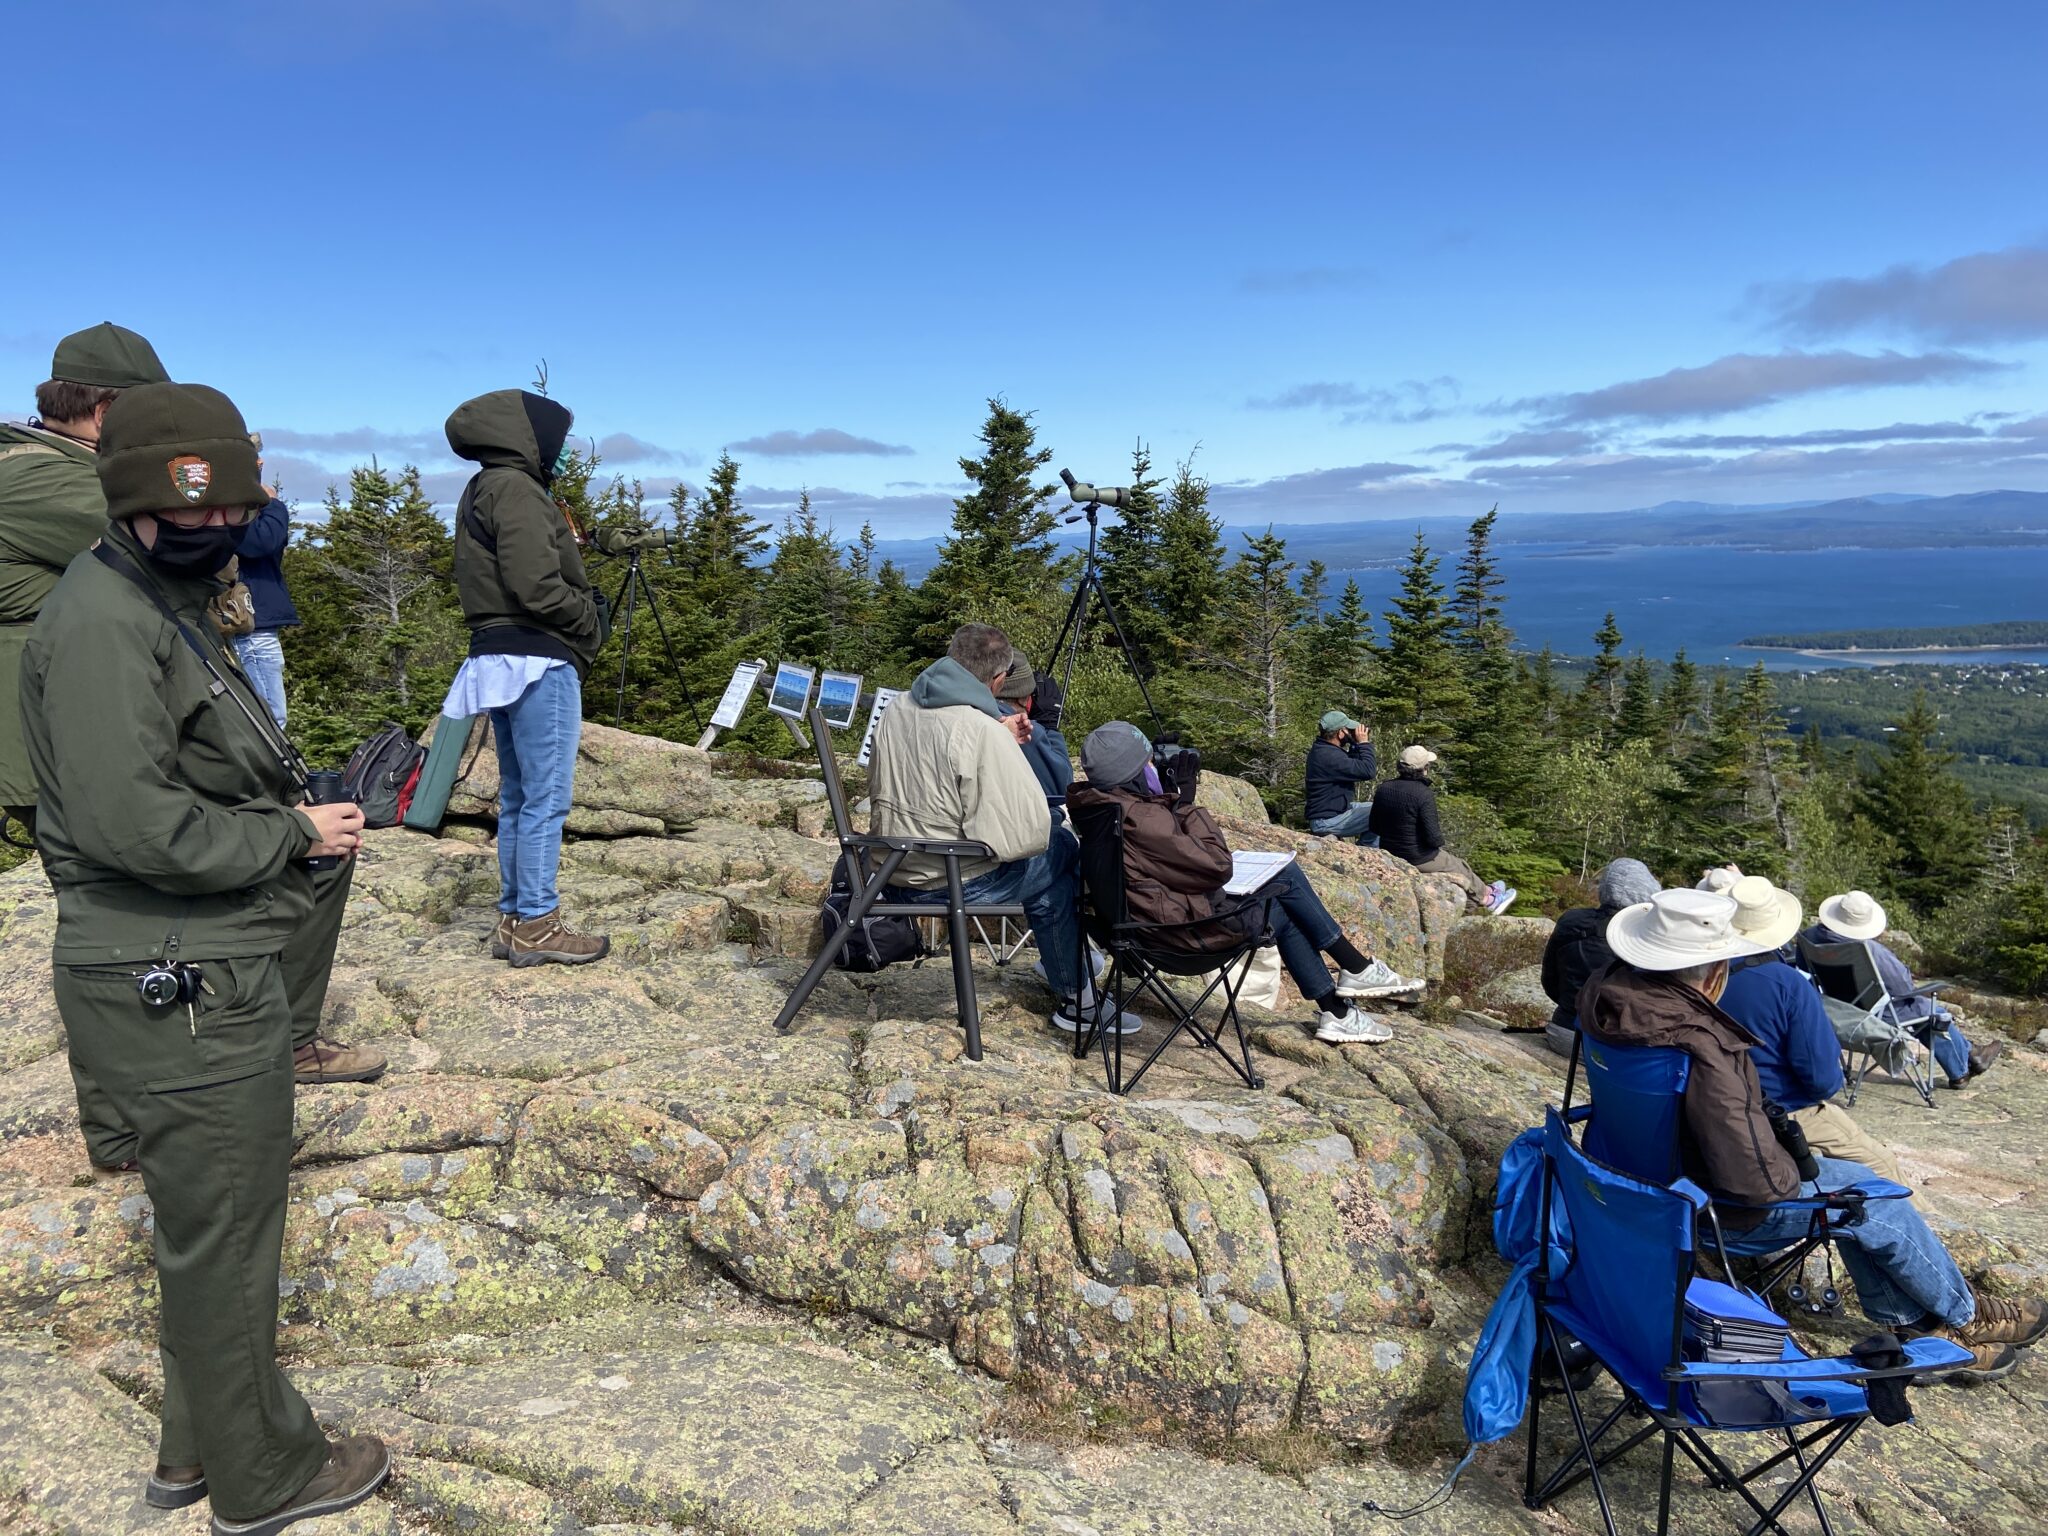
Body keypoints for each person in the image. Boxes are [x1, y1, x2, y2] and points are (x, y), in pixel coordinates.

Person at [20, 382, 392, 1529]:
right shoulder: (101, 625)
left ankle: (194, 1448)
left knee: (208, 1226)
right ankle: (265, 1474)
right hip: (176, 975)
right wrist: (289, 832)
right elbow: (134, 827)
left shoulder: (147, 595)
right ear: (132, 507)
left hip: (190, 959)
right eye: (190, 523)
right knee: (228, 1234)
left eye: (232, 518)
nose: (216, 538)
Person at [1579, 887, 2045, 1382]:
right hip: (1707, 1213)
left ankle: (1920, 1326)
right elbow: (1756, 1187)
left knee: (1851, 1188)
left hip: (1637, 1189)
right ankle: (1968, 1317)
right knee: (1867, 1194)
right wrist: (1791, 1162)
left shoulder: (1609, 1005)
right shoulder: (1705, 1047)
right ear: (1715, 973)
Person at [1069, 720, 1424, 1045]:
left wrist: (1165, 802)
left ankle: (1340, 1006)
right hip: (1179, 939)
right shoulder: (1143, 819)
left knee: (1281, 894)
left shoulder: (1102, 808)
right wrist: (1184, 804)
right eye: (1147, 763)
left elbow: (1163, 864)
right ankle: (1353, 976)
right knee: (1283, 886)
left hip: (1141, 929)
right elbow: (1218, 865)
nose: (1153, 769)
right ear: (1130, 774)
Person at [869, 622, 1133, 1035]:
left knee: (1052, 860)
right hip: (946, 879)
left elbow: (939, 751)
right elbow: (1021, 837)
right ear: (999, 678)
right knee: (1059, 857)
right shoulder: (979, 730)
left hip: (890, 868)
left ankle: (1070, 967)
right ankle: (1075, 991)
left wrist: (998, 733)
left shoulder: (899, 706)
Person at [446, 388, 609, 968]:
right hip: (538, 657)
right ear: (529, 436)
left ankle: (517, 916)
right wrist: (588, 615)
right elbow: (535, 585)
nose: (559, 451)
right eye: (555, 440)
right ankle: (537, 923)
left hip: (497, 656)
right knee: (545, 797)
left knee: (519, 795)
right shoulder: (517, 489)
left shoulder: (484, 486)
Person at [0, 322, 171, 838]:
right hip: (58, 735)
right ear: (106, 414)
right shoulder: (41, 479)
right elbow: (179, 550)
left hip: (74, 723)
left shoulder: (57, 467)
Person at [1716, 876, 1902, 1182]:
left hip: (1715, 1102)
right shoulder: (1785, 983)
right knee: (1882, 1165)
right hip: (1780, 1111)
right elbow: (1823, 1081)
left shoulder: (1700, 973)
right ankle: (1937, 1229)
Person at [1804, 890, 2002, 1089]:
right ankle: (1961, 1069)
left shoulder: (1809, 937)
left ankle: (1971, 1052)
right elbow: (1903, 987)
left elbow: (1805, 970)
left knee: (1918, 1010)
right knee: (1932, 1012)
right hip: (1872, 1014)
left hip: (1839, 1010)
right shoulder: (1870, 950)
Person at [1368, 744, 1516, 914]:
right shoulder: (1423, 794)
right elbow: (1434, 839)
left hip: (1389, 850)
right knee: (1459, 866)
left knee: (1456, 864)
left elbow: (1374, 826)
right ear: (1424, 769)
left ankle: (1488, 891)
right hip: (1416, 856)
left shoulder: (1384, 788)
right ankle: (1488, 899)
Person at [1539, 857, 1660, 1056]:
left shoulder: (1571, 920)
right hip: (1611, 1048)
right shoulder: (1646, 935)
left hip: (1562, 1033)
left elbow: (1550, 982)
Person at [228, 452, 299, 727]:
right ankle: (274, 769)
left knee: (269, 713)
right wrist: (274, 505)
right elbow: (263, 541)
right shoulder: (231, 510)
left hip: (251, 621)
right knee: (271, 716)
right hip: (249, 625)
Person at [993, 646, 1070, 815]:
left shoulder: (971, 715)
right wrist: (1049, 727)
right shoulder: (1023, 730)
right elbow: (1062, 788)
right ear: (1023, 698)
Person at [1305, 710, 1376, 842]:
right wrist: (1364, 744)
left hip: (1334, 813)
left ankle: (1367, 848)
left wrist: (1354, 743)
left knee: (1382, 806)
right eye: (1348, 730)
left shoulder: (1323, 750)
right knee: (1384, 813)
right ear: (1340, 733)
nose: (1351, 732)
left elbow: (1353, 767)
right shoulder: (1329, 756)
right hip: (1327, 821)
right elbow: (1368, 771)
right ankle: (1369, 852)